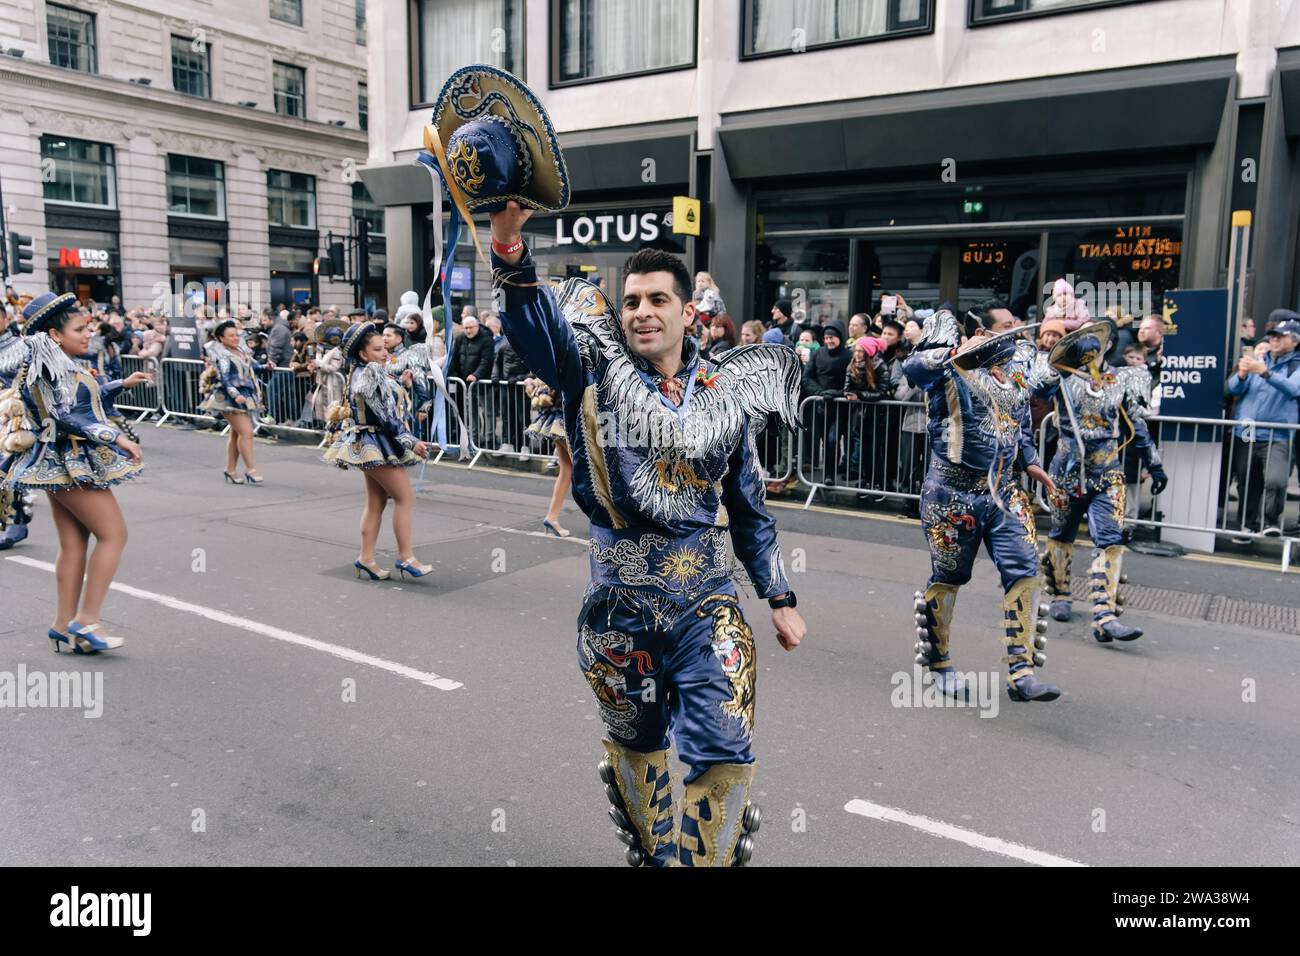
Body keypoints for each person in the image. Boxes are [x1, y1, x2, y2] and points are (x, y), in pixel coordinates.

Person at [492, 150, 806, 867]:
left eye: (656, 300)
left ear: (686, 311)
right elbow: (535, 327)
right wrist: (510, 248)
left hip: (707, 602)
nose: (640, 312)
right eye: (630, 301)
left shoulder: (727, 390)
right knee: (638, 751)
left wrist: (780, 596)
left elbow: (749, 506)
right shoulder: (588, 370)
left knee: (724, 750)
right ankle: (657, 855)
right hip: (619, 607)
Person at [901, 305, 1061, 702]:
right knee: (949, 578)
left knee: (1025, 570)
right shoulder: (951, 365)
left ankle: (1022, 673)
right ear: (981, 331)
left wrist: (1033, 464)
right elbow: (913, 369)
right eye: (1005, 328)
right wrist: (958, 351)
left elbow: (1018, 426)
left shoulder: (1014, 375)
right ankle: (938, 662)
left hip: (1005, 492)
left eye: (1013, 328)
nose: (1013, 334)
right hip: (953, 493)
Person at [0, 292, 151, 653]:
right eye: (80, 328)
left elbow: (84, 398)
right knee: (114, 535)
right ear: (54, 334)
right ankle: (85, 622)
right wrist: (115, 437)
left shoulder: (56, 364)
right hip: (69, 460)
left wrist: (120, 385)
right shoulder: (51, 367)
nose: (88, 334)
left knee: (74, 543)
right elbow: (64, 414)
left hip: (55, 459)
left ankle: (62, 624)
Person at [1037, 321, 1165, 642]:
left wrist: (1154, 463)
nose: (1094, 348)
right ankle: (1061, 595)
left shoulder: (1121, 379)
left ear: (1109, 346)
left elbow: (1136, 423)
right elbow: (1036, 388)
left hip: (1107, 471)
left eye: (1100, 342)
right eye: (1087, 343)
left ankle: (1104, 615)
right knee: (1061, 534)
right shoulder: (1062, 376)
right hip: (1066, 470)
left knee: (1110, 539)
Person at [322, 322, 433, 580]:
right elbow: (385, 417)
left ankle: (366, 558)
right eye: (378, 349)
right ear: (363, 354)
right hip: (377, 441)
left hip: (369, 441)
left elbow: (380, 406)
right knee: (405, 499)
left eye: (385, 348)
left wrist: (403, 386)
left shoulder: (361, 372)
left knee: (376, 503)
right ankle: (406, 558)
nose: (385, 354)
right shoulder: (369, 374)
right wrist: (411, 441)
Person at [1226, 317, 1300, 541]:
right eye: (1273, 335)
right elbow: (1233, 389)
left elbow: (1294, 389)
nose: (1274, 339)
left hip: (1277, 434)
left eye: (1281, 336)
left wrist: (1265, 372)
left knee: (1276, 481)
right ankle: (1247, 526)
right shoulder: (1258, 358)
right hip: (1246, 431)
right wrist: (1242, 374)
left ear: (1295, 341)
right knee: (1248, 481)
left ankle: (1269, 520)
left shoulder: (1295, 364)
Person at [200, 319, 268, 485]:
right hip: (228, 398)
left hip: (244, 395)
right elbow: (224, 378)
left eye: (236, 335)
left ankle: (230, 470)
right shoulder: (222, 355)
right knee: (247, 432)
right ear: (221, 338)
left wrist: (267, 367)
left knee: (236, 433)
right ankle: (250, 469)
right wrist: (235, 394)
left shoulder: (241, 351)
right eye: (231, 336)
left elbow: (251, 368)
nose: (235, 338)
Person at [524, 373, 573, 536]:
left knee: (567, 469)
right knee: (584, 468)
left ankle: (552, 517)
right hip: (564, 418)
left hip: (555, 417)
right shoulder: (562, 357)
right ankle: (605, 519)